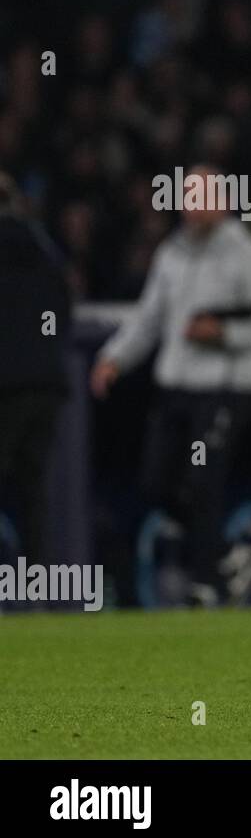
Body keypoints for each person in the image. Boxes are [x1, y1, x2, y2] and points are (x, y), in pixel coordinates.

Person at [89, 164, 251, 607]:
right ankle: (227, 556)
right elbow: (149, 318)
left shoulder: (250, 257)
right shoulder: (171, 254)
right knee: (155, 484)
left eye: (201, 198)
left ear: (223, 202)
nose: (191, 208)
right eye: (187, 198)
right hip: (177, 387)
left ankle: (208, 585)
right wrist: (114, 358)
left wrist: (224, 335)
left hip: (226, 388)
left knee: (203, 481)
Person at [0, 171, 71, 563]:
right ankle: (39, 586)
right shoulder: (43, 248)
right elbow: (63, 310)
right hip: (45, 384)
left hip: (6, 385)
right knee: (33, 492)